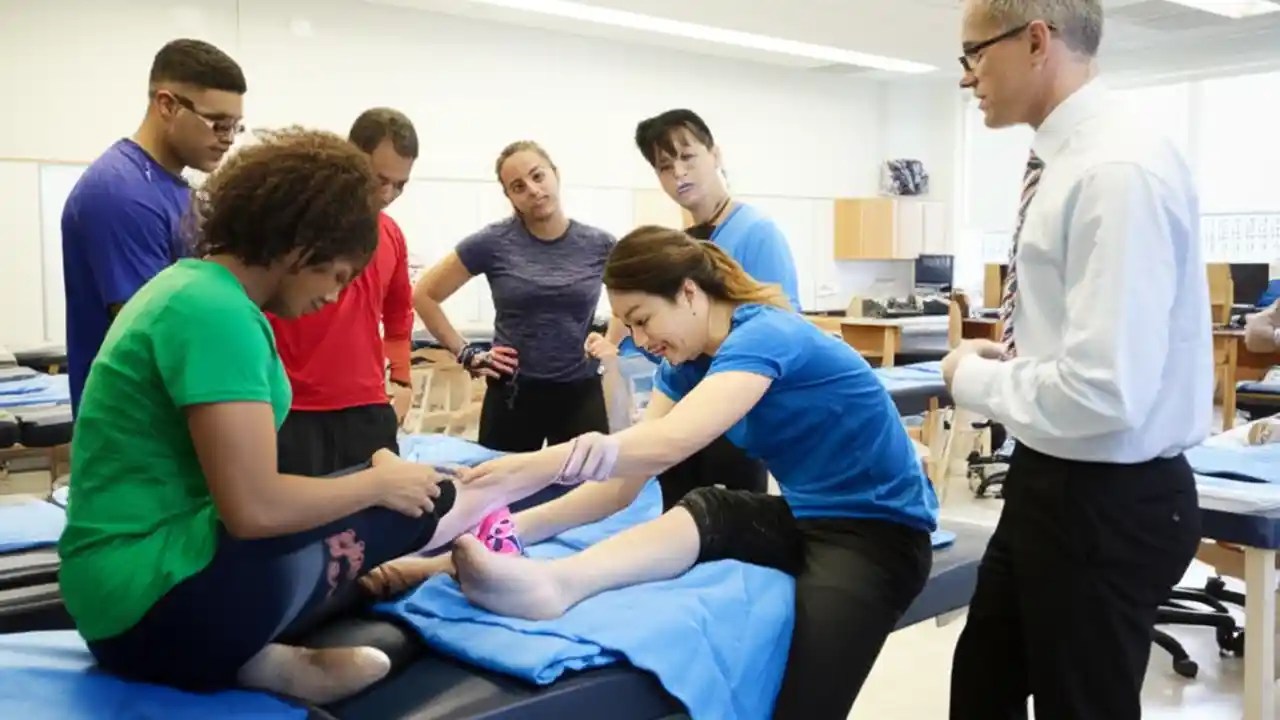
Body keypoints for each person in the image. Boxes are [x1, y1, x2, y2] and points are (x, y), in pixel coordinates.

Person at [57, 128, 568, 706]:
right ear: (301, 248)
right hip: (149, 607)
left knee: (382, 498)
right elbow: (254, 510)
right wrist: (376, 482)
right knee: (410, 499)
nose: (336, 295)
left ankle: (252, 660)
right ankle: (517, 490)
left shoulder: (195, 292)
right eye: (339, 276)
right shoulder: (213, 312)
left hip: (131, 610)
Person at [433, 225, 938, 720]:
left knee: (806, 707)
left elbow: (666, 444)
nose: (638, 338)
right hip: (807, 518)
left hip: (881, 537)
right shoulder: (686, 365)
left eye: (643, 319)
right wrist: (494, 530)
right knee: (710, 506)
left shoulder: (766, 335)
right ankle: (555, 585)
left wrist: (522, 469)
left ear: (689, 293)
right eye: (627, 326)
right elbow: (617, 490)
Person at [941, 2, 1210, 718]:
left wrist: (975, 379)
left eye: (973, 55)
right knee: (982, 689)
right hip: (1052, 480)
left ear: (1035, 41)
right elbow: (1091, 345)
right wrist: (1016, 352)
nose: (968, 78)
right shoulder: (1068, 160)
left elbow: (1104, 391)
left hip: (1105, 499)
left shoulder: (1115, 170)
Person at [585, 108, 802, 508]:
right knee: (676, 518)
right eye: (665, 167)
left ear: (715, 155)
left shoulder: (757, 233)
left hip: (736, 417)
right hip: (680, 410)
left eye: (688, 158)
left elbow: (782, 330)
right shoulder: (681, 244)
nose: (679, 174)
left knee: (733, 532)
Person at [61, 38, 246, 413]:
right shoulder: (120, 193)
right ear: (167, 105)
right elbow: (152, 330)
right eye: (218, 124)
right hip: (132, 433)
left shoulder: (179, 190)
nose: (227, 139)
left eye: (235, 127)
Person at [412, 141, 615, 458]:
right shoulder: (493, 243)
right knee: (502, 498)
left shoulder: (599, 244)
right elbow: (424, 295)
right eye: (518, 187)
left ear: (555, 175)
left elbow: (633, 301)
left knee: (587, 492)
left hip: (580, 392)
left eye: (538, 176)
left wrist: (611, 342)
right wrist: (466, 353)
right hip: (513, 394)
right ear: (509, 197)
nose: (533, 190)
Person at [268, 108, 418, 476]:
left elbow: (399, 316)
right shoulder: (291, 225)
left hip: (366, 410)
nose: (388, 194)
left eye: (400, 185)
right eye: (379, 179)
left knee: (385, 524)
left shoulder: (392, 235)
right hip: (291, 409)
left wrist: (400, 379)